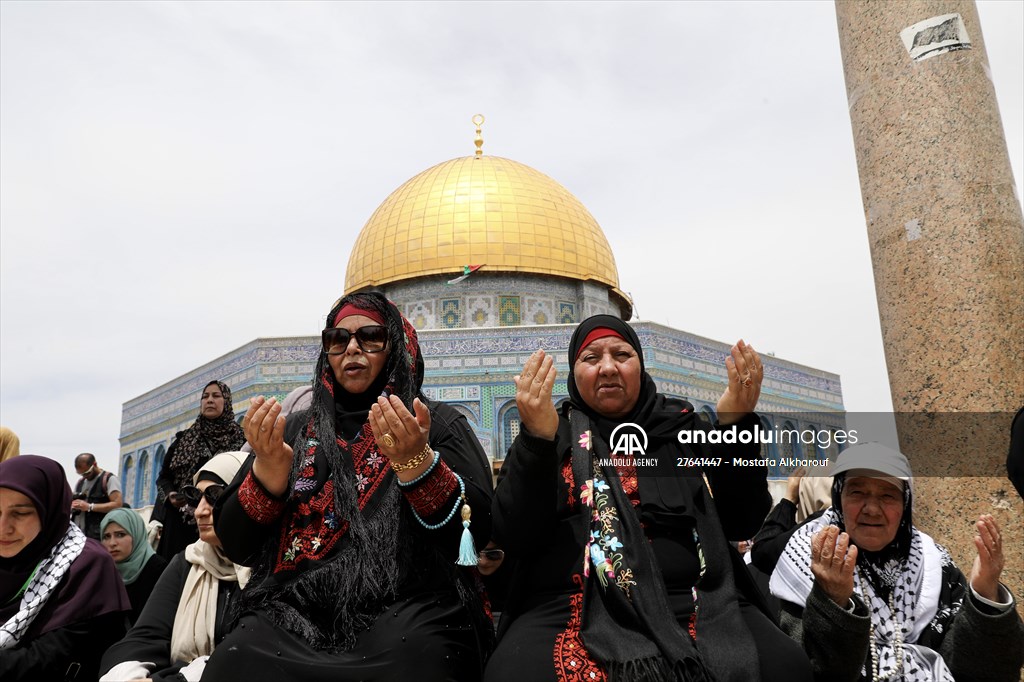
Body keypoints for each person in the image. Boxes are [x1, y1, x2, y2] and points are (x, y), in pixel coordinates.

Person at [487, 315, 811, 682]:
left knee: (785, 666)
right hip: (574, 605)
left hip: (695, 601)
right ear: (573, 374)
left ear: (640, 364)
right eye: (591, 358)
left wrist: (734, 425)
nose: (608, 368)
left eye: (621, 355)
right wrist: (537, 440)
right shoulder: (553, 433)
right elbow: (515, 534)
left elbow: (742, 520)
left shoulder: (683, 429)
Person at [206, 292, 494, 681]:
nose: (352, 348)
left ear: (396, 346)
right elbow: (237, 545)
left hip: (406, 608)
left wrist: (418, 466)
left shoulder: (434, 424)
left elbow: (476, 534)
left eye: (371, 336)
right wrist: (269, 473)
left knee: (418, 658)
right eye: (338, 340)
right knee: (237, 657)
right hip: (295, 613)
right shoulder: (295, 431)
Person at [770, 442, 1024, 681]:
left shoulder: (933, 563)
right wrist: (833, 602)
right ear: (839, 497)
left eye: (888, 495)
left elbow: (979, 670)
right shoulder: (807, 561)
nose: (871, 508)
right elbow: (814, 671)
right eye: (857, 492)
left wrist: (985, 594)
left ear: (905, 504)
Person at [100, 450, 251, 682]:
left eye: (215, 495)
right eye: (196, 497)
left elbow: (249, 656)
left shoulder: (271, 566)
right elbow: (143, 637)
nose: (200, 511)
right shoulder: (188, 562)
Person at [0, 455, 131, 681]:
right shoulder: (8, 553)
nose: (3, 528)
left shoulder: (86, 566)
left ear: (49, 511)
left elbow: (53, 659)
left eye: (20, 513)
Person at [152, 380, 245, 560]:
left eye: (216, 396)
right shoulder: (183, 440)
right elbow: (163, 478)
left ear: (227, 402)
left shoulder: (241, 441)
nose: (209, 400)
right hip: (179, 527)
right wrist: (170, 496)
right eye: (205, 396)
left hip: (219, 523)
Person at [101, 507, 168, 626]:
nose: (112, 543)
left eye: (120, 535)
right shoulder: (105, 571)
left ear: (136, 534)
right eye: (106, 536)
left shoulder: (158, 569)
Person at [71, 452, 123, 540]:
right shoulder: (80, 482)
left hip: (98, 536)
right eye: (82, 474)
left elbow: (117, 505)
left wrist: (90, 507)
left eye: (87, 473)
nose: (85, 476)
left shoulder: (109, 479)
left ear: (94, 464)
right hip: (79, 536)